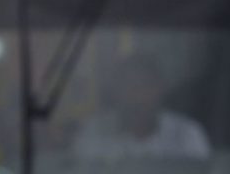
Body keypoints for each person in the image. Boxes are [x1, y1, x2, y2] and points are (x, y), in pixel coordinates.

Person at [73, 53, 210, 162]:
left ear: (160, 90)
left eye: (146, 86)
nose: (138, 96)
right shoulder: (93, 133)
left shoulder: (187, 134)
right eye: (130, 87)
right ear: (116, 92)